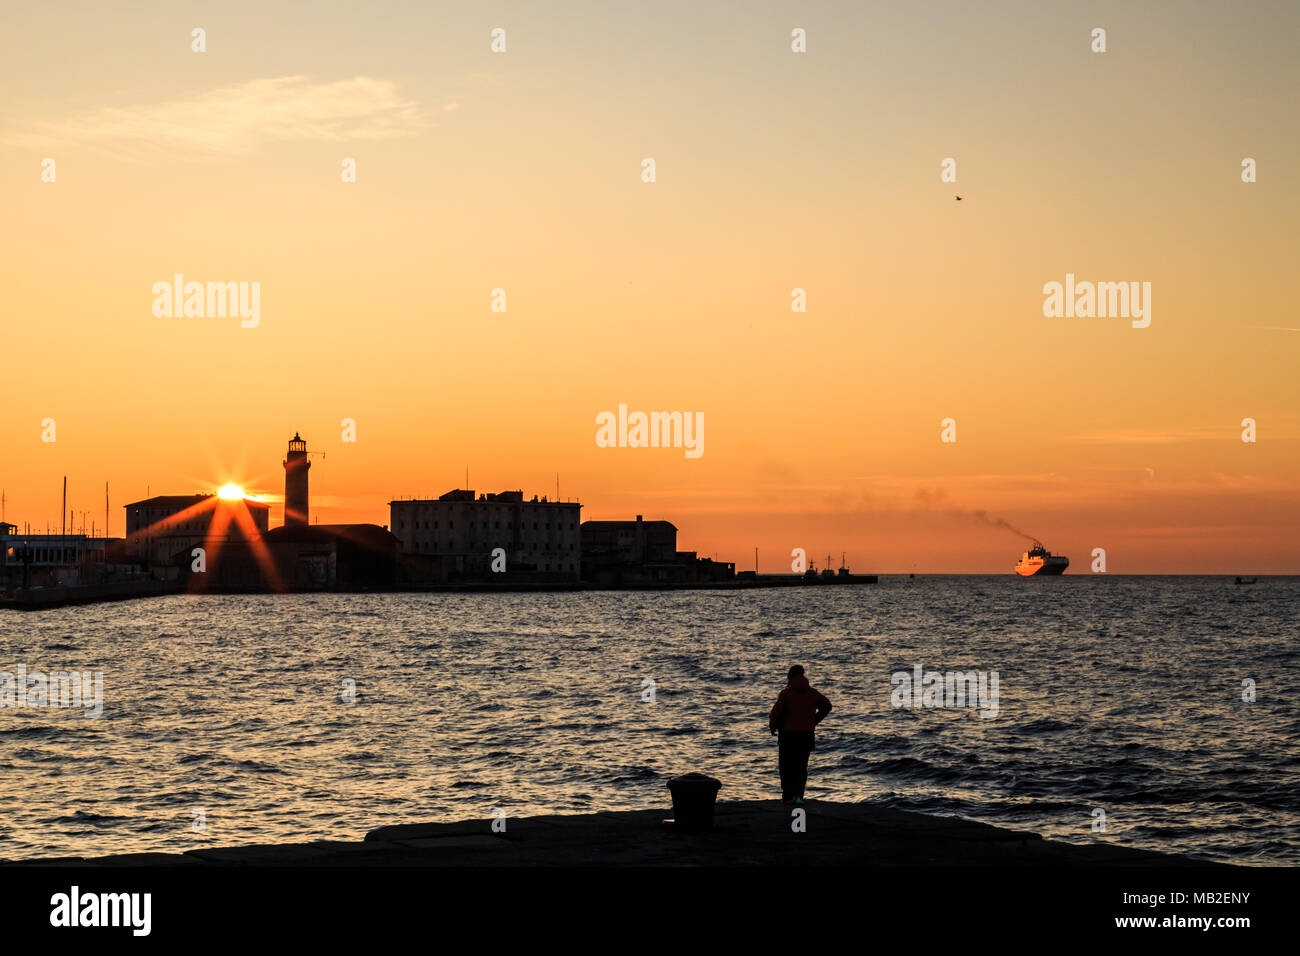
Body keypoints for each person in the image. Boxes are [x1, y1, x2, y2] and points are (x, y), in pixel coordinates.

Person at [768, 665, 832, 803]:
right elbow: (827, 706)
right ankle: (798, 798)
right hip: (806, 736)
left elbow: (776, 713)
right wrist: (814, 720)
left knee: (786, 767)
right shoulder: (813, 693)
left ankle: (787, 797)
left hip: (788, 736)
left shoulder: (786, 694)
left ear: (790, 677)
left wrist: (773, 727)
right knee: (801, 768)